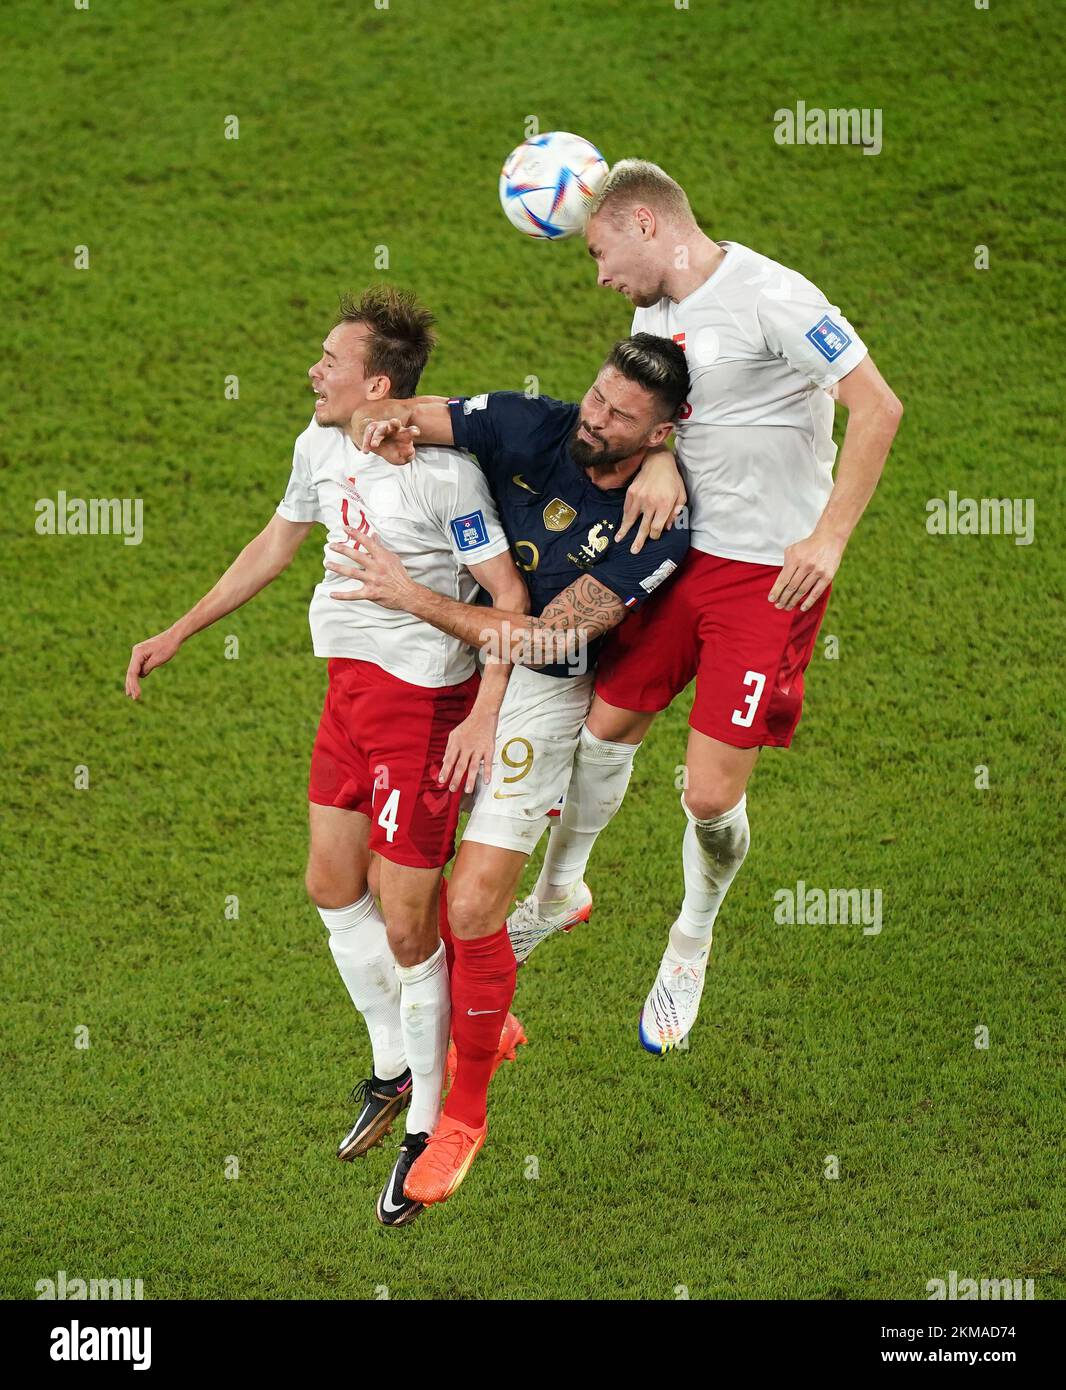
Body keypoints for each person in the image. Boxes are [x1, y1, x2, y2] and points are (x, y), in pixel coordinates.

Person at [124, 286, 528, 1226]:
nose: (313, 370)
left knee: (405, 922)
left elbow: (507, 596)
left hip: (426, 705)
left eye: (329, 360)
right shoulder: (317, 446)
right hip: (349, 691)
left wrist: (485, 716)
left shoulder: (445, 477)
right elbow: (277, 540)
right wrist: (180, 628)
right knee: (328, 882)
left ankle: (431, 1124)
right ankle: (393, 1066)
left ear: (376, 382)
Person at [512, 159, 904, 1055]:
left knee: (708, 794)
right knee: (603, 729)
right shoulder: (656, 314)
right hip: (678, 558)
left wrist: (830, 538)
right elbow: (667, 410)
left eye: (604, 251)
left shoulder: (774, 296)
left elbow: (877, 407)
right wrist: (657, 457)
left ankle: (690, 940)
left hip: (770, 576)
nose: (600, 274)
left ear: (649, 225)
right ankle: (556, 895)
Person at [326, 331, 691, 1208]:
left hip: (539, 691)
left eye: (620, 416)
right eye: (598, 397)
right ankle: (490, 1014)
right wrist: (387, 429)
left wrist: (411, 595)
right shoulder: (534, 423)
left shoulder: (658, 523)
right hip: (440, 666)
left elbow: (550, 639)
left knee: (472, 903)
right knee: (385, 883)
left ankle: (465, 1116)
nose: (594, 420)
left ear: (661, 432)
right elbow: (387, 408)